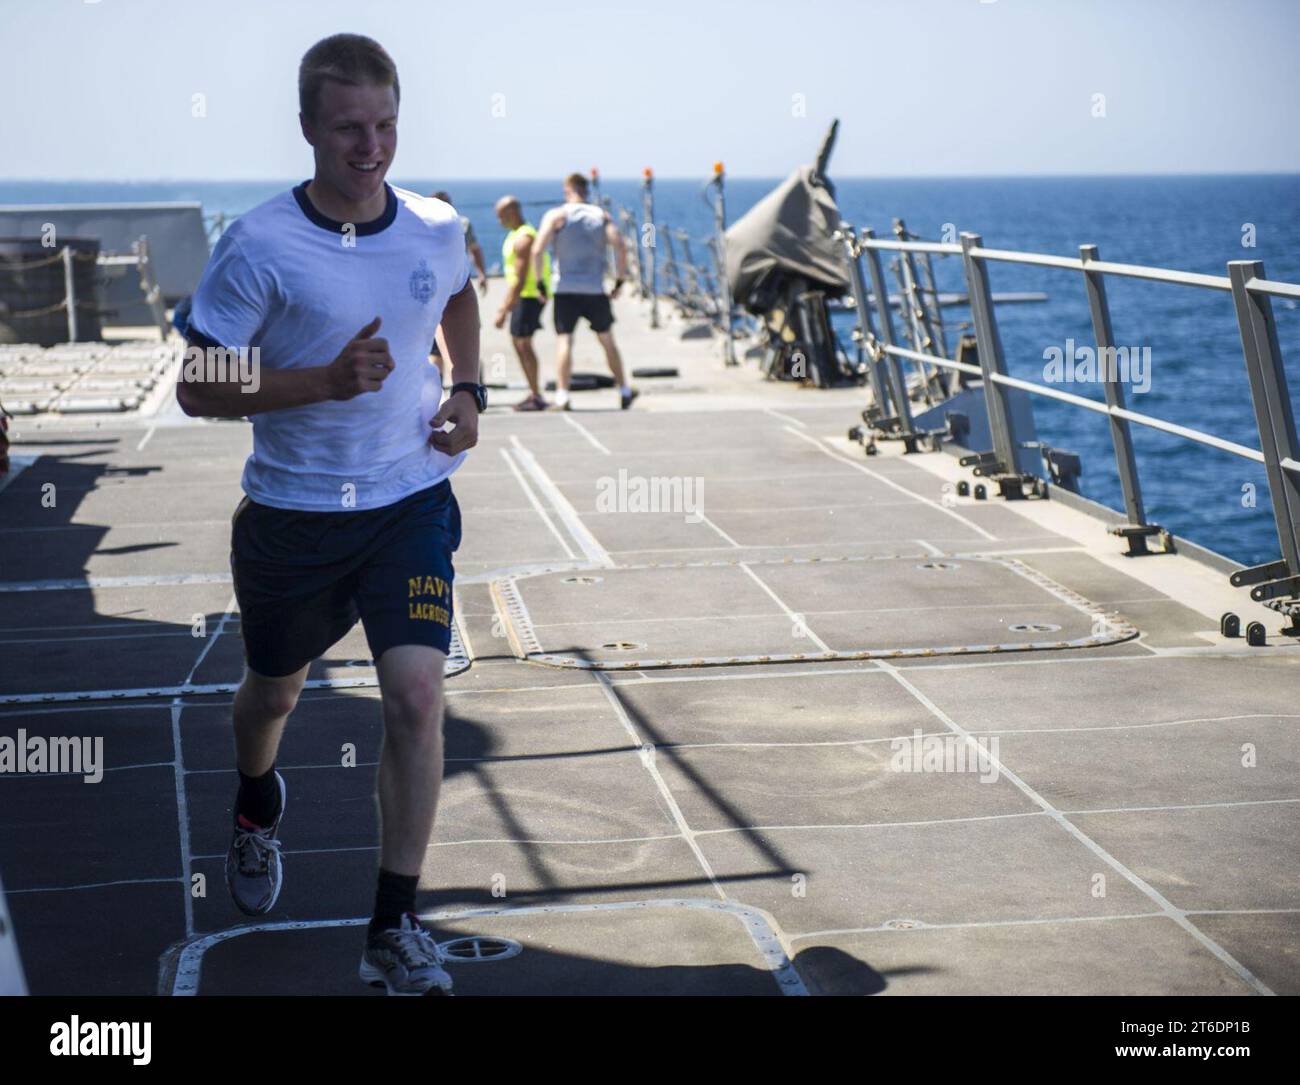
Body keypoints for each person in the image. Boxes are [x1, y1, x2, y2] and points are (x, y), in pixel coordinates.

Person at [177, 33, 488, 996]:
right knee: (271, 697)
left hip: (407, 502)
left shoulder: (434, 223)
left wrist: (469, 390)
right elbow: (196, 383)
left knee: (417, 697)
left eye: (387, 124)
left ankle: (392, 926)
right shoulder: (261, 244)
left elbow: (462, 292)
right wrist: (321, 378)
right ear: (308, 126)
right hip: (293, 518)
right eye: (349, 126)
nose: (371, 145)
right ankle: (257, 801)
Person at [533, 172, 637, 410]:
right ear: (586, 191)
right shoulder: (601, 216)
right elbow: (621, 246)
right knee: (607, 339)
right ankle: (624, 388)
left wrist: (541, 283)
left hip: (565, 288)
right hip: (595, 288)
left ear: (567, 190)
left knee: (564, 340)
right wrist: (620, 280)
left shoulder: (557, 215)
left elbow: (538, 250)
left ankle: (562, 395)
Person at [492, 195, 550, 410]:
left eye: (501, 216)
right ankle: (534, 392)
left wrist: (503, 309)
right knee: (520, 343)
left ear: (512, 213)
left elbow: (521, 277)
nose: (499, 221)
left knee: (523, 343)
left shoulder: (524, 238)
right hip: (524, 295)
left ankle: (536, 395)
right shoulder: (514, 235)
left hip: (529, 295)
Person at [428, 191, 487, 381]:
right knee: (465, 338)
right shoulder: (462, 223)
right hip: (458, 283)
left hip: (436, 287)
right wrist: (482, 273)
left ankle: (439, 391)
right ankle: (471, 384)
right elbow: (475, 249)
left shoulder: (423, 223)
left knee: (436, 344)